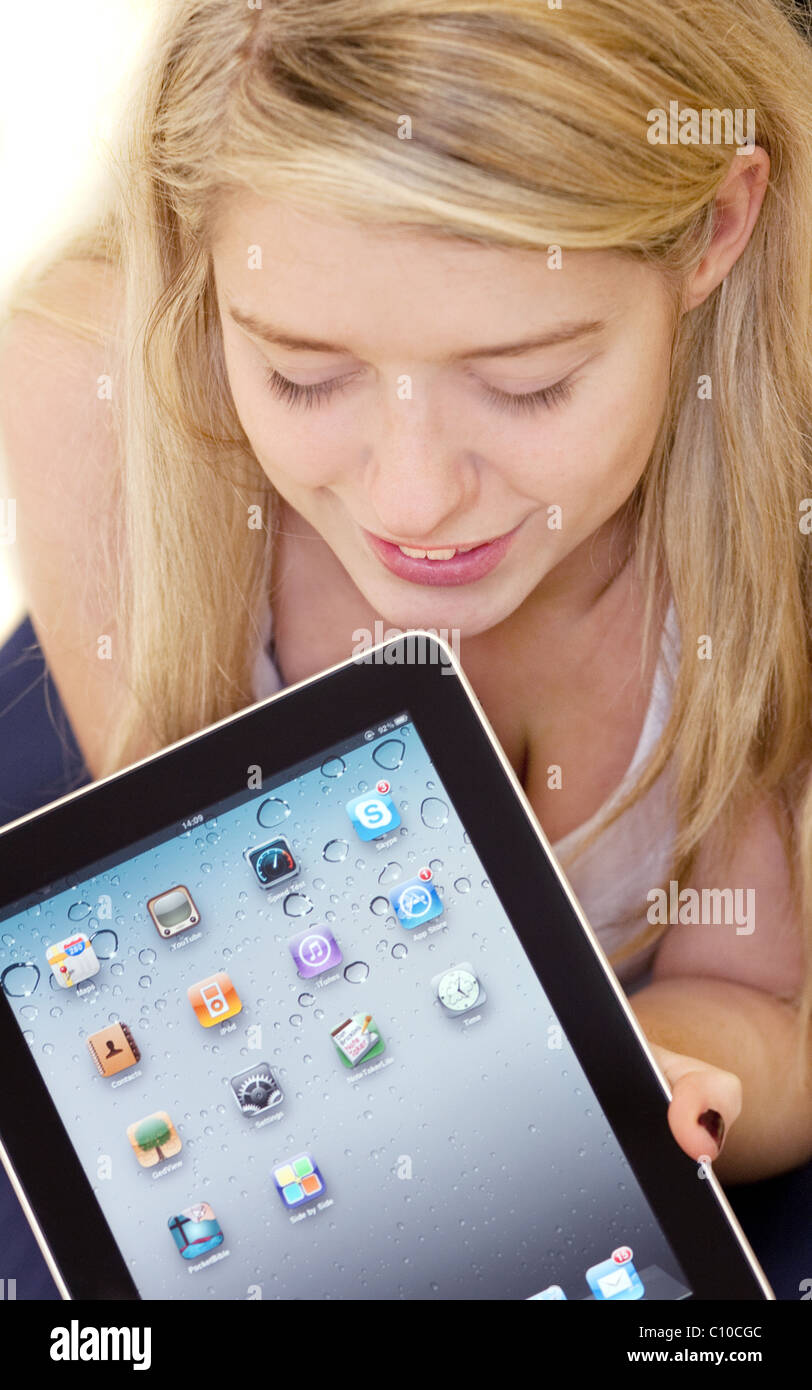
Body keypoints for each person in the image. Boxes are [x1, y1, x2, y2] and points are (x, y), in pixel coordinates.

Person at [0, 0, 810, 1194]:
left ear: (713, 230)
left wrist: (656, 1077)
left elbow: (754, 999)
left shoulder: (768, 465)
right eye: (302, 375)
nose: (414, 499)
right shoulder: (96, 387)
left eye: (529, 384)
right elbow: (208, 971)